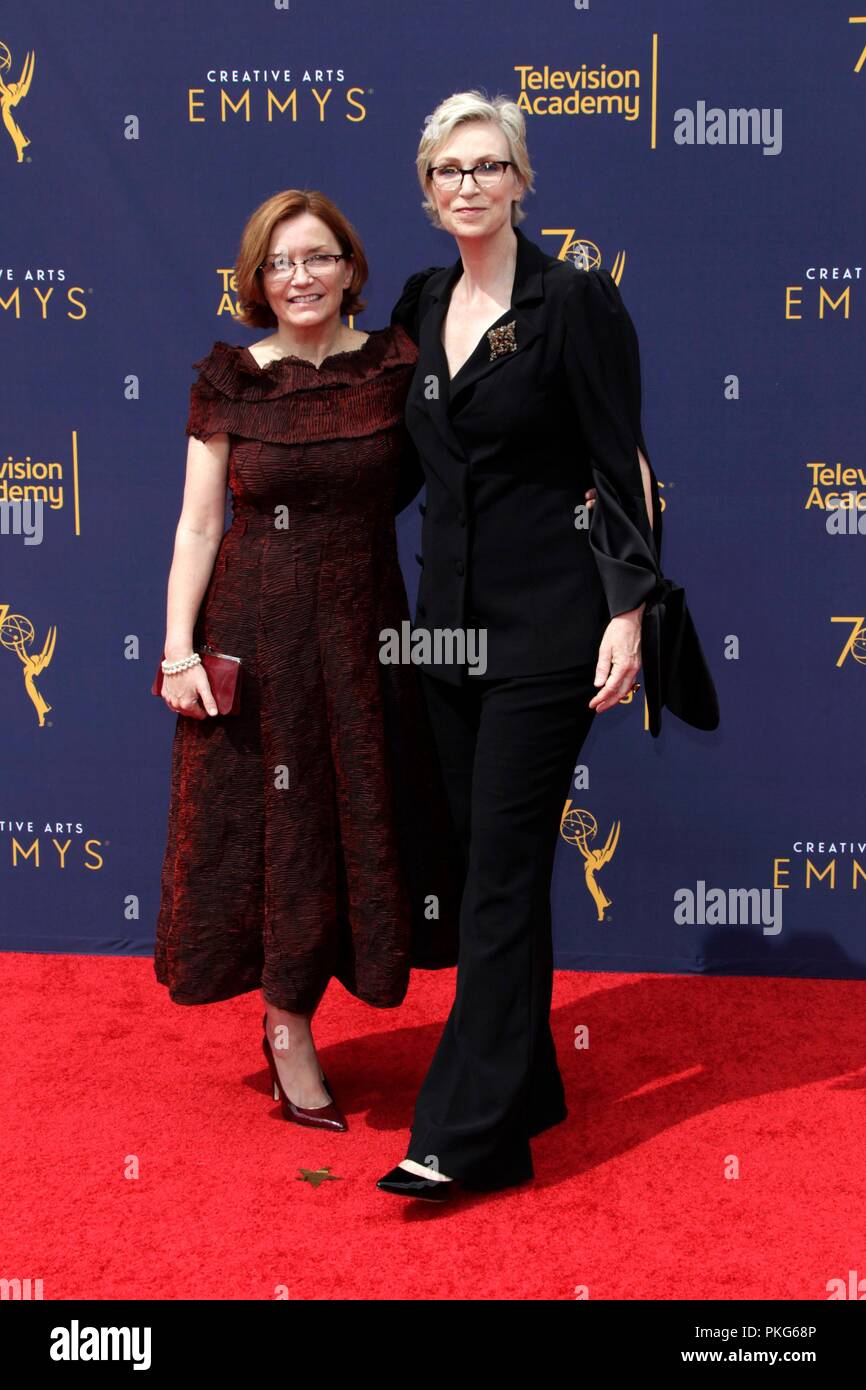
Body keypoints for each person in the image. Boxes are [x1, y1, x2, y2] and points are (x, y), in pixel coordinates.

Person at [376, 90, 718, 1201]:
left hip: (548, 630)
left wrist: (625, 613)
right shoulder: (421, 302)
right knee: (486, 868)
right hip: (447, 632)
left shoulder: (573, 302)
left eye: (487, 165)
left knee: (503, 874)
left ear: (522, 180)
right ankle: (523, 1094)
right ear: (425, 194)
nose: (467, 185)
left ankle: (459, 1128)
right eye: (447, 171)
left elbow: (622, 466)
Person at [153, 189, 461, 1131]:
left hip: (366, 638)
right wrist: (178, 650)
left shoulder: (393, 368)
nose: (301, 277)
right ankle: (287, 1027)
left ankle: (325, 994)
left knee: (350, 823)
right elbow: (201, 523)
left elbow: (469, 455)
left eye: (318, 257)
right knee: (271, 832)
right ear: (256, 279)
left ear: (350, 268)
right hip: (257, 637)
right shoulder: (232, 379)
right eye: (281, 262)